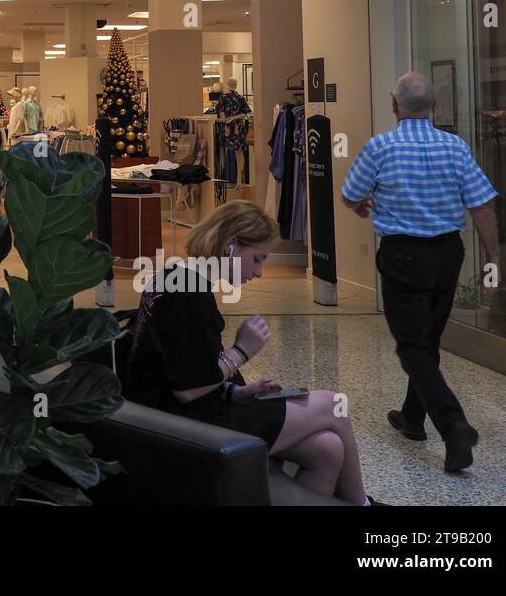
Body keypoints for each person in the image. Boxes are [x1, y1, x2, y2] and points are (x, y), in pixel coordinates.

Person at [125, 200, 377, 505]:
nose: (258, 272)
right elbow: (187, 389)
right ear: (231, 245)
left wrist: (236, 392)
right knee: (335, 404)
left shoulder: (177, 276)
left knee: (328, 449)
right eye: (257, 259)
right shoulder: (188, 292)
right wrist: (242, 351)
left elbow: (181, 365)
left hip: (182, 414)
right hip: (189, 424)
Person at [341, 71, 500, 474]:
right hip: (449, 254)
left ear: (395, 105)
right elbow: (481, 205)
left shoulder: (381, 147)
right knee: (426, 341)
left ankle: (453, 426)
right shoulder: (455, 147)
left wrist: (362, 206)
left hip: (404, 257)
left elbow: (349, 193)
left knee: (412, 347)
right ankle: (413, 419)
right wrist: (493, 257)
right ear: (434, 106)